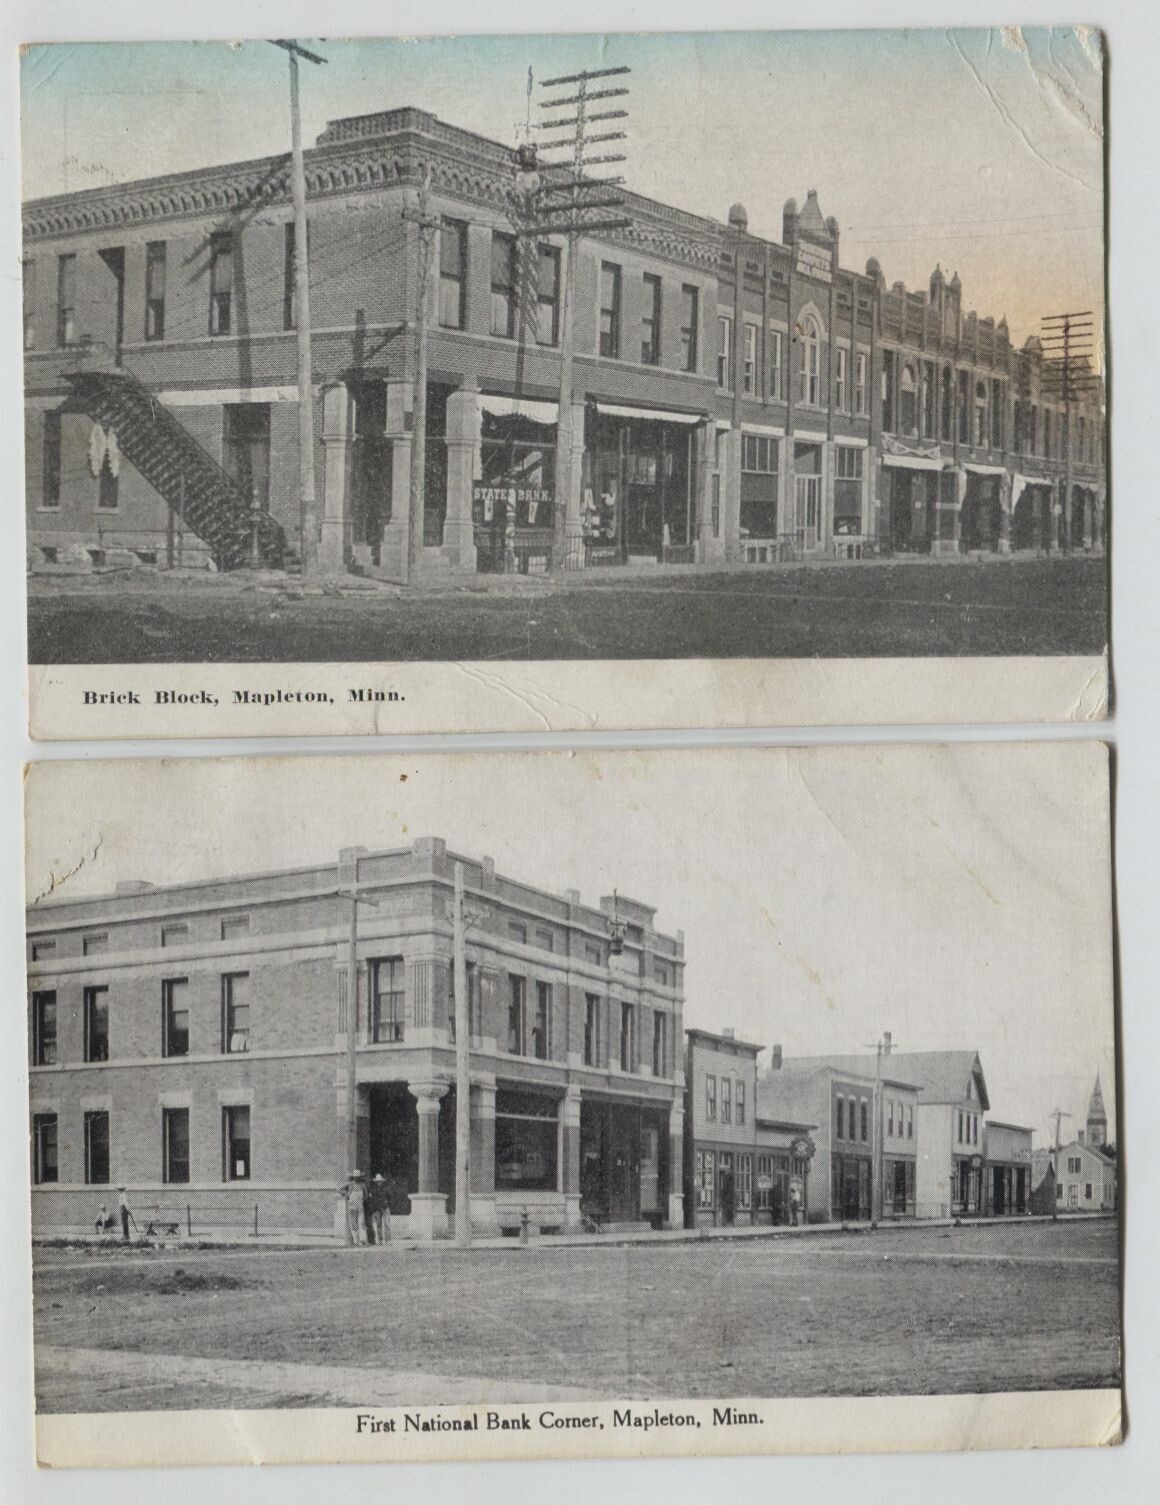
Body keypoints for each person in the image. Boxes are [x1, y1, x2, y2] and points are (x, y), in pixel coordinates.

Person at [368, 1173, 390, 1248]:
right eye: (378, 1181)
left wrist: (387, 1203)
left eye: (380, 1181)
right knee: (378, 1224)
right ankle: (380, 1240)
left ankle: (387, 1240)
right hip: (377, 1209)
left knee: (387, 1224)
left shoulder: (386, 1188)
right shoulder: (373, 1190)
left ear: (382, 1181)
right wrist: (373, 1210)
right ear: (376, 1182)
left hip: (385, 1208)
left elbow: (390, 1198)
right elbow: (372, 1200)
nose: (379, 1182)